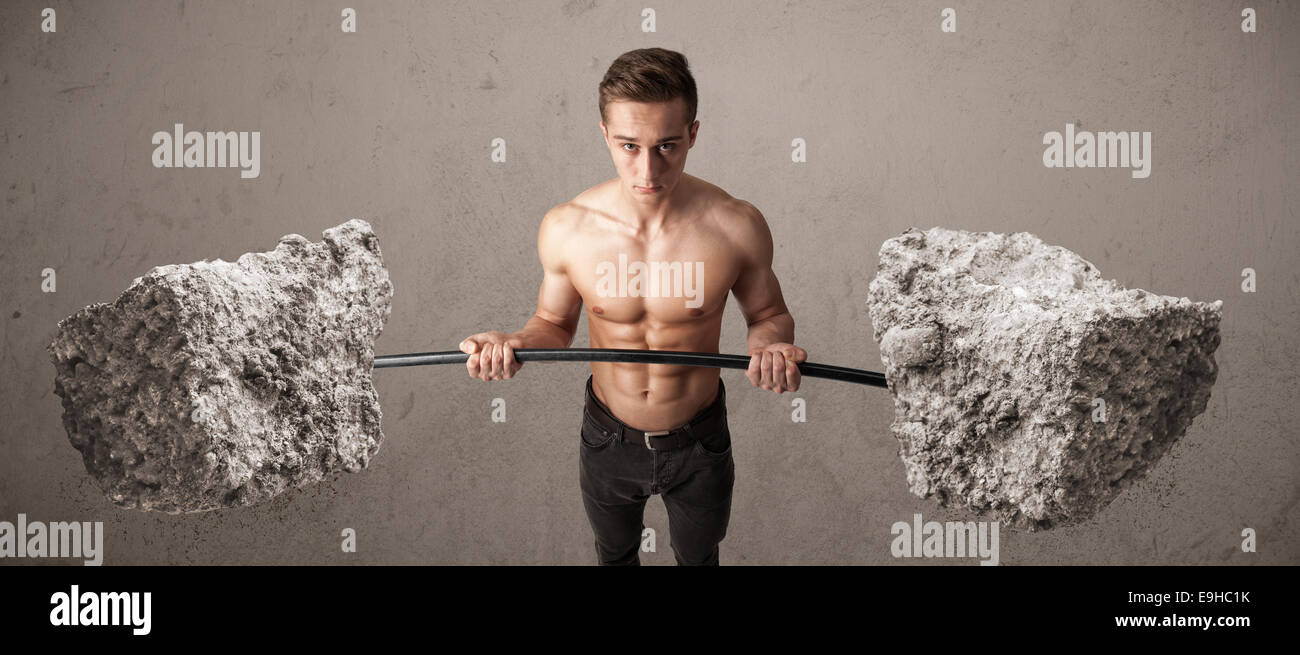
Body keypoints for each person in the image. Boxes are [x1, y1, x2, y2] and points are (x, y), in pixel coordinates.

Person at [459, 47, 805, 565]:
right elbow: (553, 324)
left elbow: (767, 315)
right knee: (615, 556)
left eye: (667, 145)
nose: (647, 169)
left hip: (699, 439)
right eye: (628, 145)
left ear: (693, 133)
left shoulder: (735, 225)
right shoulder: (568, 228)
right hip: (608, 437)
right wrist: (512, 342)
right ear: (604, 134)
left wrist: (772, 347)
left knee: (699, 558)